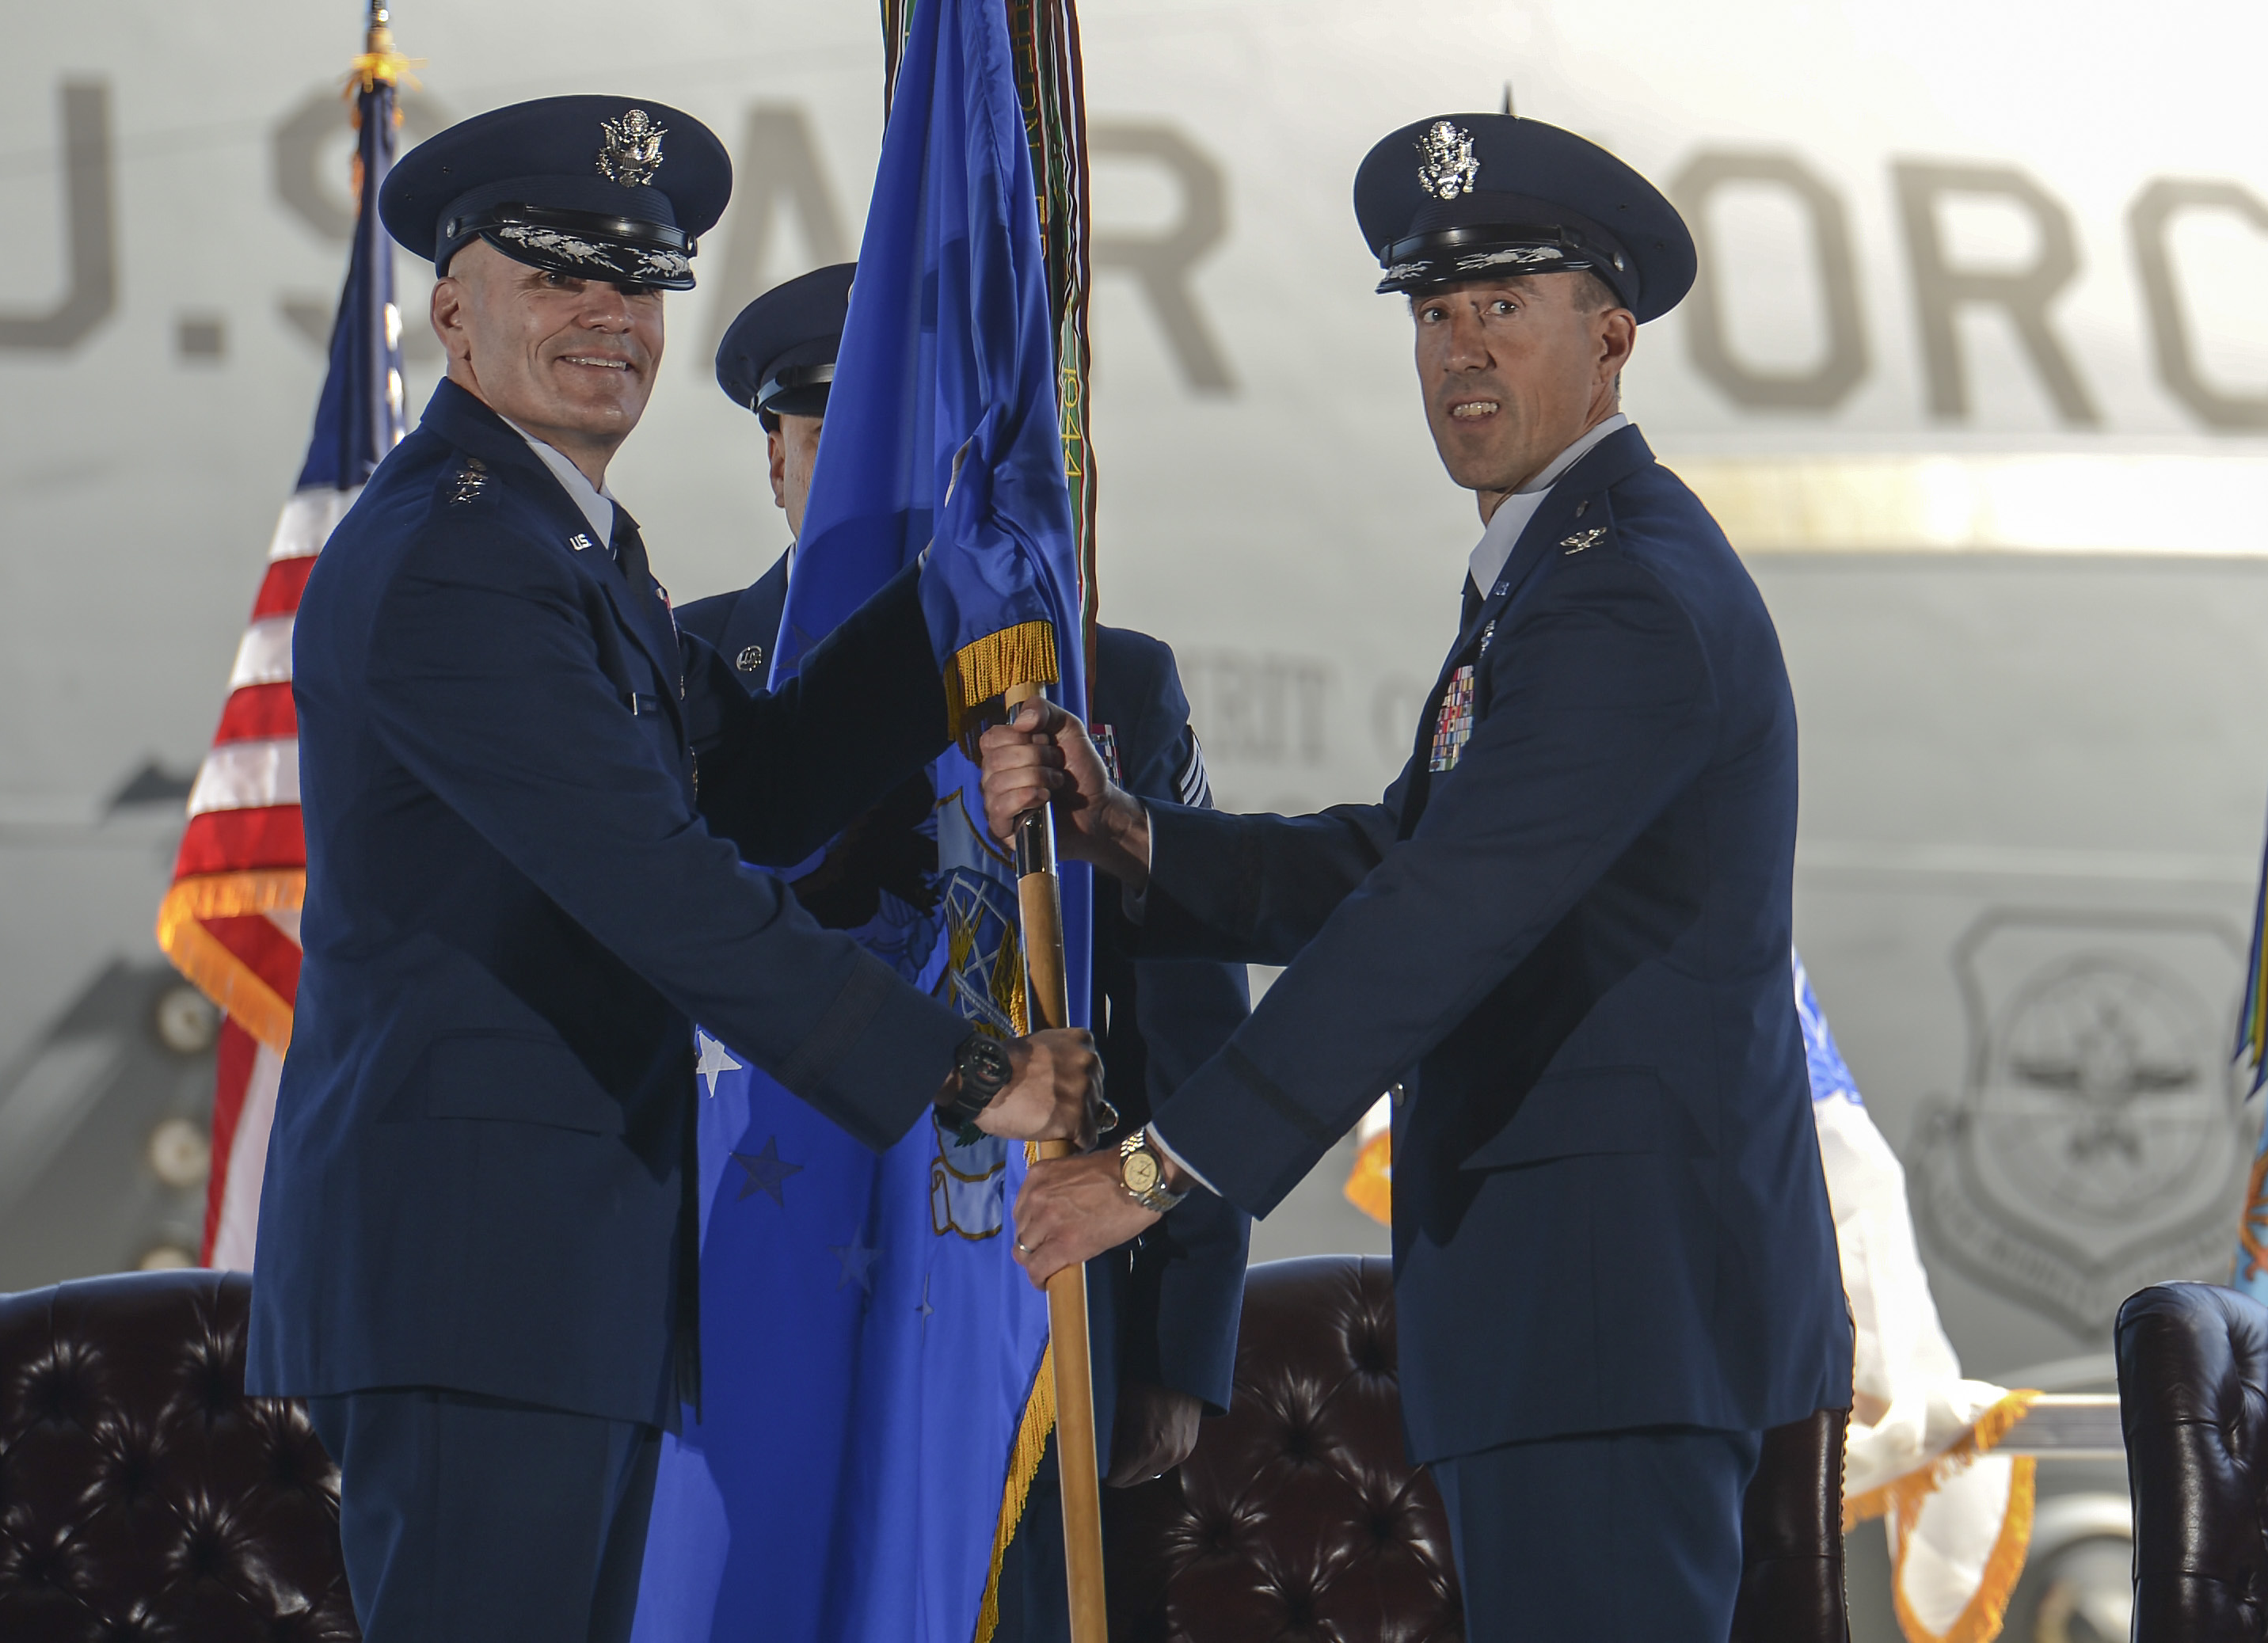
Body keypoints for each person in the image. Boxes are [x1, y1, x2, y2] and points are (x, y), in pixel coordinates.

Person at [244, 97, 1099, 1643]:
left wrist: (947, 606)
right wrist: (968, 1075)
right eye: (558, 273)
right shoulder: (455, 559)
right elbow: (661, 882)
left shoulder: (566, 546)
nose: (605, 316)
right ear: (452, 309)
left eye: (635, 281)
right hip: (472, 1277)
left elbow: (756, 790)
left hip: (552, 1278)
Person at [987, 113, 1851, 1642]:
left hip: (1610, 1323)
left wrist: (1150, 1174)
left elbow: (1433, 922)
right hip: (1563, 1321)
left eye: (1504, 309)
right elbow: (1402, 856)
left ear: (1611, 337)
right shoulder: (1559, 574)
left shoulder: (1622, 598)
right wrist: (1136, 839)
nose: (1460, 352)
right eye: (1434, 314)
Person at [691, 270, 1254, 1639]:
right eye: (833, 444)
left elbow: (1185, 1004)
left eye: (907, 456)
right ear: (773, 457)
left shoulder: (1101, 681)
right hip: (742, 1273)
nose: (873, 496)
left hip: (1015, 1278)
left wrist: (1178, 1331)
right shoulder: (693, 669)